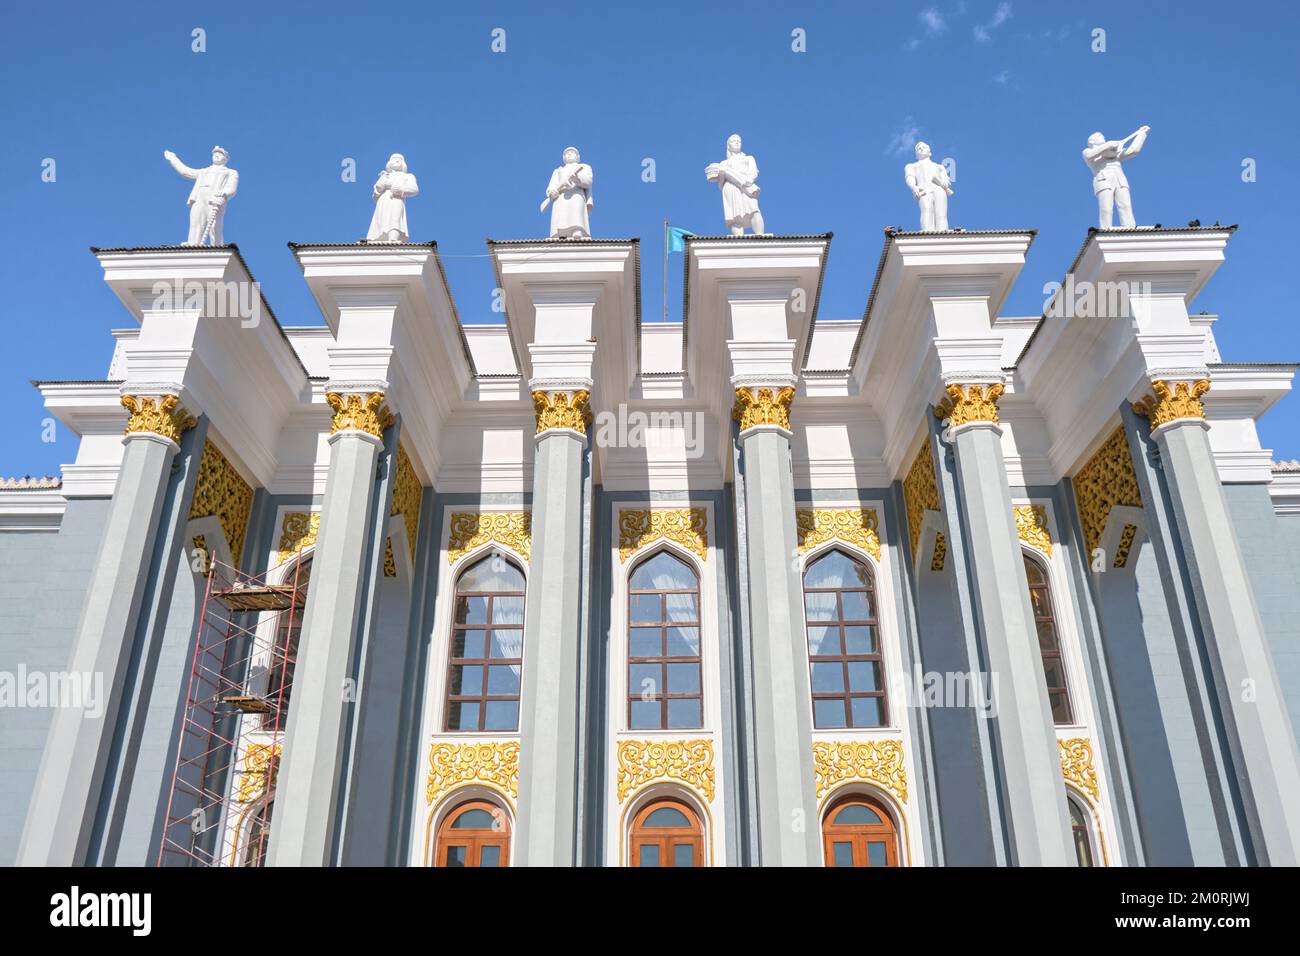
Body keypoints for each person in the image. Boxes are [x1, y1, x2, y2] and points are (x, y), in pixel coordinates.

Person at [163, 146, 239, 245]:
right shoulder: (204, 171)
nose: (216, 155)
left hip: (215, 199)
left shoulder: (230, 172)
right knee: (196, 222)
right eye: (215, 154)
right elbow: (185, 172)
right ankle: (193, 245)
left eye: (220, 154)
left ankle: (217, 247)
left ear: (225, 158)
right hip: (199, 198)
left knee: (214, 226)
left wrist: (224, 194)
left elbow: (231, 188)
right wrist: (173, 159)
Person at [1082, 126, 1150, 229]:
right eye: (1099, 136)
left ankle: (1130, 227)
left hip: (1120, 179)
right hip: (1103, 181)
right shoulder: (1088, 151)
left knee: (1125, 205)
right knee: (1106, 208)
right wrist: (1108, 145)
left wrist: (1142, 134)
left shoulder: (1114, 154)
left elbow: (1133, 150)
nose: (1103, 136)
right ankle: (1105, 229)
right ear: (1092, 141)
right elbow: (1090, 155)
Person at [705, 134, 766, 235]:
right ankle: (738, 239)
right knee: (734, 216)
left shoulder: (749, 158)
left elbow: (754, 172)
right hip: (730, 188)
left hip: (746, 186)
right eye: (734, 141)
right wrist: (721, 174)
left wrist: (748, 180)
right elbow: (721, 184)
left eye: (739, 141)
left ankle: (760, 236)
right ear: (728, 146)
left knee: (754, 210)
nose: (737, 142)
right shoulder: (723, 164)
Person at [366, 153, 419, 243]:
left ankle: (393, 238)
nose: (396, 161)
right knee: (381, 218)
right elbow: (375, 194)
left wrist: (400, 190)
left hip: (396, 199)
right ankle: (378, 238)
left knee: (395, 217)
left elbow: (414, 189)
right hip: (383, 200)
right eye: (394, 160)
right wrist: (380, 186)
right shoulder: (384, 176)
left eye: (399, 160)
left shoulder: (407, 176)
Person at [544, 147, 593, 239]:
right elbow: (552, 185)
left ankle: (577, 230)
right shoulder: (558, 170)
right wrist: (552, 192)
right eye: (567, 153)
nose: (569, 154)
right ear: (563, 157)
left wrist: (577, 178)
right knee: (561, 213)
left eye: (572, 152)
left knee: (576, 211)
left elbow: (588, 181)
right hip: (560, 196)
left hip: (576, 193)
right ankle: (559, 234)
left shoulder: (584, 167)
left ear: (578, 157)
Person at [904, 141, 953, 232]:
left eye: (924, 147)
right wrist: (914, 187)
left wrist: (944, 183)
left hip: (939, 190)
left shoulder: (939, 167)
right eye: (919, 148)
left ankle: (943, 232)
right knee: (926, 210)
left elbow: (946, 181)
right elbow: (909, 177)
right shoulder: (912, 166)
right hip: (924, 190)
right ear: (916, 154)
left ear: (930, 152)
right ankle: (927, 232)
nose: (921, 149)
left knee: (941, 213)